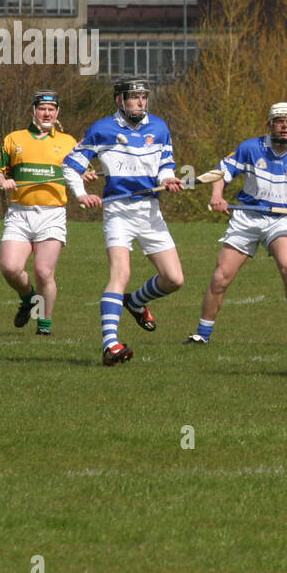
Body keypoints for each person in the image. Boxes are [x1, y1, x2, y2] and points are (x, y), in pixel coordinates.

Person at [62, 78, 185, 366]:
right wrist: (81, 194)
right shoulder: (102, 129)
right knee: (120, 273)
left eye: (144, 97)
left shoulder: (159, 127)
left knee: (174, 279)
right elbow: (71, 165)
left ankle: (137, 302)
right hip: (118, 211)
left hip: (151, 212)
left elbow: (166, 164)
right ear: (120, 100)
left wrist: (167, 179)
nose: (140, 102)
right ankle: (110, 345)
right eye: (134, 97)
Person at [185, 102, 287, 347]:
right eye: (279, 121)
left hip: (280, 220)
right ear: (269, 125)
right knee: (221, 277)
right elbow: (221, 172)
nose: (284, 126)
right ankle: (202, 335)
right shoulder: (250, 148)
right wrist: (217, 196)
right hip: (247, 217)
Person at [0, 90, 78, 336]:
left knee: (43, 271)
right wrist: (2, 181)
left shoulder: (68, 142)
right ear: (34, 111)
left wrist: (86, 174)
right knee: (10, 268)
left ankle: (43, 326)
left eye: (51, 109)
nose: (46, 113)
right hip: (20, 213)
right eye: (42, 109)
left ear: (57, 113)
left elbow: (81, 172)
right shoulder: (14, 139)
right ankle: (28, 298)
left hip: (52, 214)